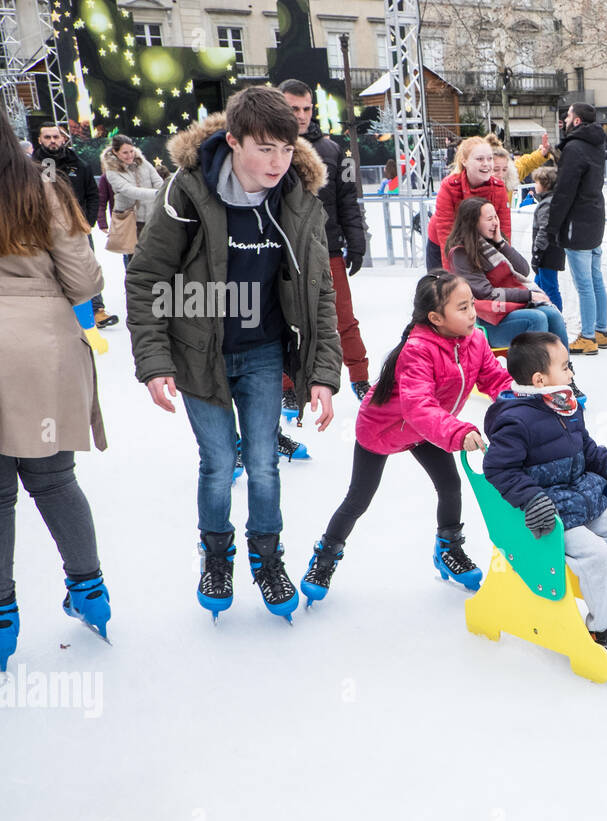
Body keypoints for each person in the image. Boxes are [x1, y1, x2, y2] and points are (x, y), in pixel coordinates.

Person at [125, 86, 342, 621]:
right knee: (220, 464)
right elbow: (148, 278)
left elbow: (319, 291)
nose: (278, 161)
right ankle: (216, 555)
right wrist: (154, 361)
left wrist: (322, 372)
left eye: (287, 149)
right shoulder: (188, 193)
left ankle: (267, 559)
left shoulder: (297, 198)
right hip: (200, 353)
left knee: (265, 464)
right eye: (265, 148)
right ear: (234, 140)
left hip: (265, 352)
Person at [301, 272, 514, 603]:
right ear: (436, 318)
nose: (473, 313)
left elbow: (495, 380)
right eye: (462, 307)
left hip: (428, 429)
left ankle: (448, 549)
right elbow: (419, 407)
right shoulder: (417, 351)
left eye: (472, 303)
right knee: (359, 499)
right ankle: (325, 556)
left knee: (450, 486)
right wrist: (458, 431)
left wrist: (525, 398)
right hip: (383, 430)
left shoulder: (476, 341)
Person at [0, 110, 112, 659]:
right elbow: (84, 279)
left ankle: (1, 618)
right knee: (53, 481)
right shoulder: (43, 190)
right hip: (41, 351)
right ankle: (90, 591)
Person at [483, 331, 607, 675]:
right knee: (597, 554)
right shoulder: (514, 419)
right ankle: (605, 628)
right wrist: (532, 498)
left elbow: (586, 448)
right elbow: (499, 469)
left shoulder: (565, 403)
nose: (571, 373)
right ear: (539, 379)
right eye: (565, 366)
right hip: (550, 515)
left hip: (585, 497)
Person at [280, 79, 372, 403]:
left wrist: (357, 242)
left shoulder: (333, 150)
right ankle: (288, 385)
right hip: (282, 252)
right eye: (294, 109)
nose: (302, 115)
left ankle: (360, 378)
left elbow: (348, 200)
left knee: (343, 318)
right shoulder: (266, 150)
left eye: (306, 108)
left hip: (327, 249)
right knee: (285, 321)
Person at [447, 197, 567, 349]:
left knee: (553, 315)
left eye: (495, 217)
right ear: (473, 223)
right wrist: (528, 295)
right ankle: (534, 370)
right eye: (489, 219)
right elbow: (486, 293)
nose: (495, 223)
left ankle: (564, 370)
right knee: (537, 318)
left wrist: (501, 243)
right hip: (486, 320)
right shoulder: (461, 254)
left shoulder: (492, 244)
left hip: (509, 308)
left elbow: (523, 270)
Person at [32, 124, 110, 328]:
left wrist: (88, 222)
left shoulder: (79, 164)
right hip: (45, 231)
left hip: (77, 229)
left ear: (63, 138)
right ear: (40, 140)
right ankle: (60, 314)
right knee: (50, 271)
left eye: (56, 136)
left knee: (86, 269)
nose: (52, 141)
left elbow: (93, 194)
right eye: (47, 137)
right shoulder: (31, 167)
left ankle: (97, 311)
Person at [547, 102, 607, 355]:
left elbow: (564, 191)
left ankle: (587, 337)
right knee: (595, 279)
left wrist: (552, 225)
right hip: (594, 218)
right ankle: (601, 331)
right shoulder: (595, 144)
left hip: (577, 222)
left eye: (568, 115)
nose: (565, 118)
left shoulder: (574, 147)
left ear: (578, 121)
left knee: (584, 283)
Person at [427, 136, 510, 272]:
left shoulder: (498, 188)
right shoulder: (449, 186)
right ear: (464, 161)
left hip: (480, 243)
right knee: (445, 287)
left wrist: (505, 269)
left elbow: (504, 230)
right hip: (445, 243)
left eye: (489, 159)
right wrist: (451, 278)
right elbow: (445, 234)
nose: (486, 164)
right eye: (479, 159)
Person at [100, 134, 163, 269]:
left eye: (131, 151)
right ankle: (134, 287)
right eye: (125, 153)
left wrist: (162, 191)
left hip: (151, 218)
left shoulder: (143, 163)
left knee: (155, 256)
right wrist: (157, 194)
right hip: (131, 220)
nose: (129, 155)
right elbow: (128, 190)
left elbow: (158, 181)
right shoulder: (112, 171)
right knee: (135, 259)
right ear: (115, 153)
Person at [529, 165, 565, 311]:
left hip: (547, 253)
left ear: (545, 184)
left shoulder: (547, 204)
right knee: (537, 286)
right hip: (548, 252)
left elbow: (544, 229)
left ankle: (557, 315)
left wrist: (537, 251)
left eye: (536, 182)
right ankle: (541, 311)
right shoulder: (548, 201)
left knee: (549, 287)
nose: (534, 185)